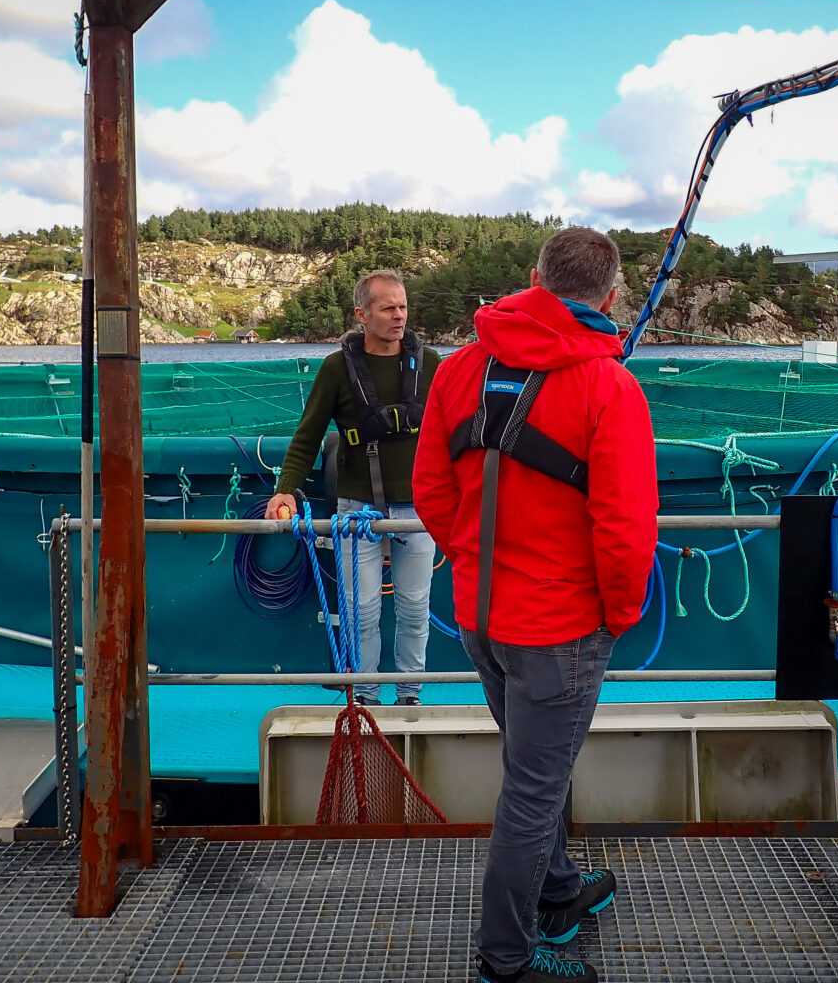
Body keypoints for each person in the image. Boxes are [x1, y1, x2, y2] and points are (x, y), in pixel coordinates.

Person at [414, 226, 658, 983]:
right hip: (562, 627)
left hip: (479, 619)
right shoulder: (610, 388)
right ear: (611, 298)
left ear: (531, 279)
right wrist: (617, 614)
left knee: (531, 769)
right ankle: (506, 958)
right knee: (533, 790)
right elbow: (624, 528)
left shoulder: (457, 371)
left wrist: (469, 565)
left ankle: (558, 891)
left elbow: (430, 488)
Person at [267, 270, 440, 706]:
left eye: (402, 306)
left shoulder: (432, 364)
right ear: (362, 314)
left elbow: (458, 429)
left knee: (415, 609)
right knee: (361, 611)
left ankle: (410, 696)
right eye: (388, 308)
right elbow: (308, 435)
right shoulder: (337, 369)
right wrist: (286, 488)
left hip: (418, 509)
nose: (399, 316)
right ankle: (363, 696)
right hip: (356, 507)